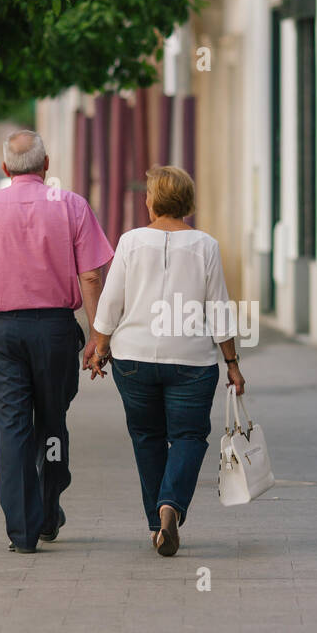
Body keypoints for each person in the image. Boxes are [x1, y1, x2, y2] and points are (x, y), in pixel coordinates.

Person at [0, 130, 114, 553]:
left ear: (6, 169)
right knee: (51, 422)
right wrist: (99, 336)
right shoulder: (71, 206)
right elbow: (90, 275)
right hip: (55, 331)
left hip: (4, 332)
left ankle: (23, 531)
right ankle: (47, 511)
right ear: (46, 166)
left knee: (12, 431)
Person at [86, 165, 245, 557]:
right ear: (187, 203)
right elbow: (219, 311)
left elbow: (111, 301)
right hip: (191, 360)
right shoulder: (206, 245)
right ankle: (170, 506)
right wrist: (233, 364)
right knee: (189, 436)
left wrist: (99, 346)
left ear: (152, 201)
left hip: (134, 357)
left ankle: (158, 525)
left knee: (147, 437)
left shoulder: (130, 241)